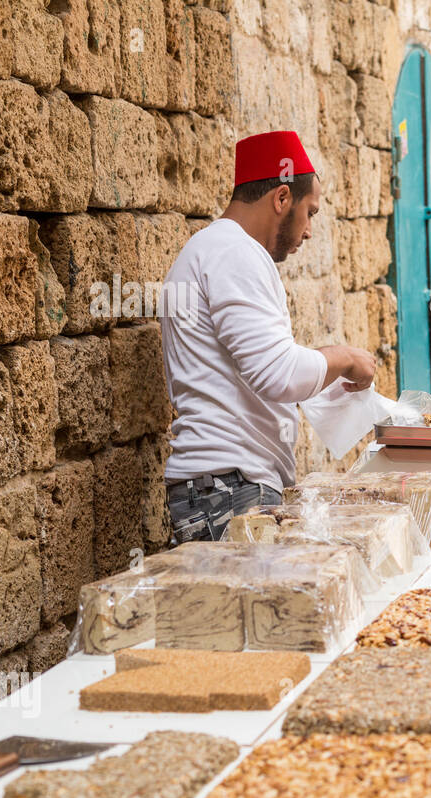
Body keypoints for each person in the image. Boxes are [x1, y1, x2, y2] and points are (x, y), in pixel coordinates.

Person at [159, 130, 379, 543]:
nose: (310, 230)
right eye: (310, 212)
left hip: (222, 488)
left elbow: (250, 370)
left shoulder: (212, 250)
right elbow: (278, 375)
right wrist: (345, 357)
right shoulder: (235, 253)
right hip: (229, 491)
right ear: (281, 198)